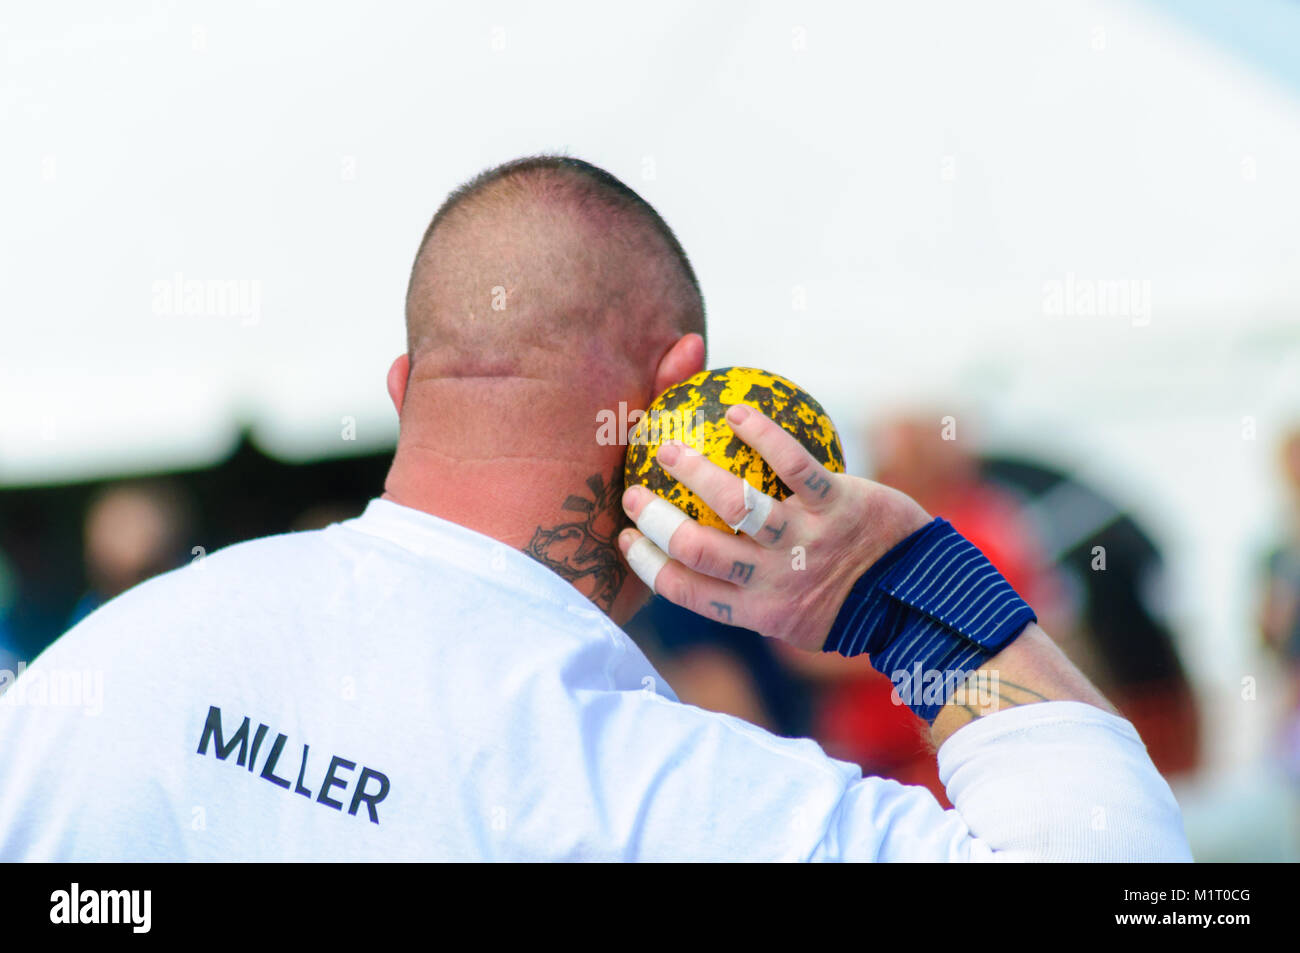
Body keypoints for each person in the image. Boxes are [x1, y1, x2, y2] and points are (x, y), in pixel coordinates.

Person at [0, 156, 1189, 861]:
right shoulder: (646, 787)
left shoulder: (104, 665)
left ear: (406, 389)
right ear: (681, 398)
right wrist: (911, 596)